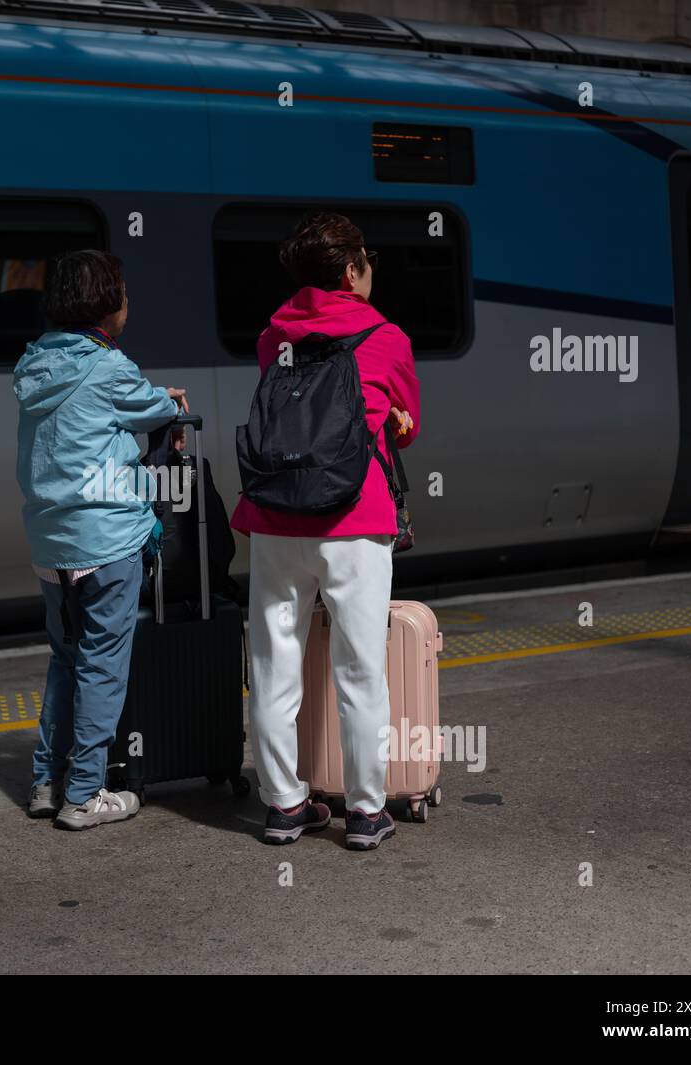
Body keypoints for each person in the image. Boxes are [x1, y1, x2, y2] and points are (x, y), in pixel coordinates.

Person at [231, 212, 420, 851]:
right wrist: (391, 416)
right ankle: (366, 813)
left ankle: (285, 805)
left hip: (277, 517)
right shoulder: (386, 336)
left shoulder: (271, 337)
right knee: (361, 667)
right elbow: (407, 424)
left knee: (274, 662)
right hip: (354, 519)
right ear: (350, 271)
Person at [13, 249, 188, 830]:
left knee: (65, 661)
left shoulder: (36, 363)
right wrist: (169, 400)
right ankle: (85, 793)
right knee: (101, 666)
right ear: (110, 305)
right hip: (106, 542)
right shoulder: (110, 367)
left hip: (50, 546)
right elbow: (156, 408)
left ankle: (46, 780)